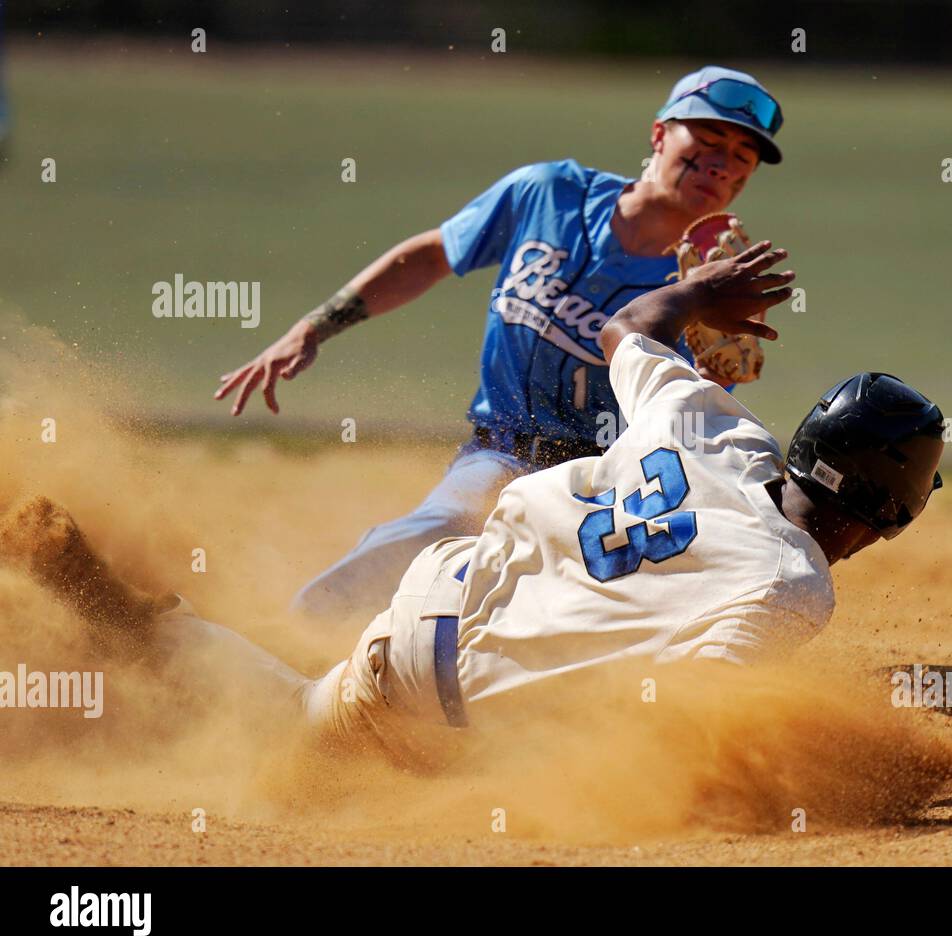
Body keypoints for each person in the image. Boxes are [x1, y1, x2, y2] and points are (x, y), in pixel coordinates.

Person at [4, 242, 945, 768]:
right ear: (882, 514)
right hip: (452, 712)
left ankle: (128, 626)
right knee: (321, 740)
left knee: (307, 713)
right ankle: (145, 664)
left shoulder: (713, 426)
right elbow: (696, 716)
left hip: (425, 607)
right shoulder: (791, 587)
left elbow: (629, 327)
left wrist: (695, 288)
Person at [211, 66, 787, 618]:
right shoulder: (548, 194)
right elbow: (433, 255)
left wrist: (711, 369)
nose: (721, 163)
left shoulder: (709, 294)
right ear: (660, 134)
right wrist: (313, 328)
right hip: (503, 454)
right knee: (448, 527)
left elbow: (682, 422)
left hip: (600, 487)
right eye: (708, 138)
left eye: (741, 157)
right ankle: (297, 636)